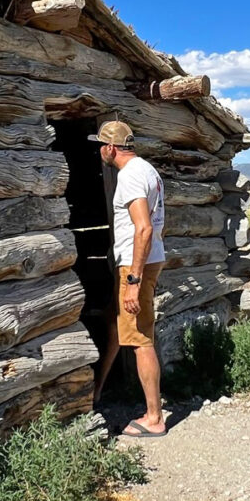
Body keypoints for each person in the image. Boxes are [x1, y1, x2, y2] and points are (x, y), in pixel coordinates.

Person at [88, 120, 167, 437]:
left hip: (136, 266)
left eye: (100, 147)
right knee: (114, 322)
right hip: (147, 260)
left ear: (109, 148)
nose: (99, 153)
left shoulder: (131, 176)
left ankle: (154, 417)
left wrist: (133, 280)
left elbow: (144, 228)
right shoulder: (148, 170)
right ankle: (97, 391)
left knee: (140, 339)